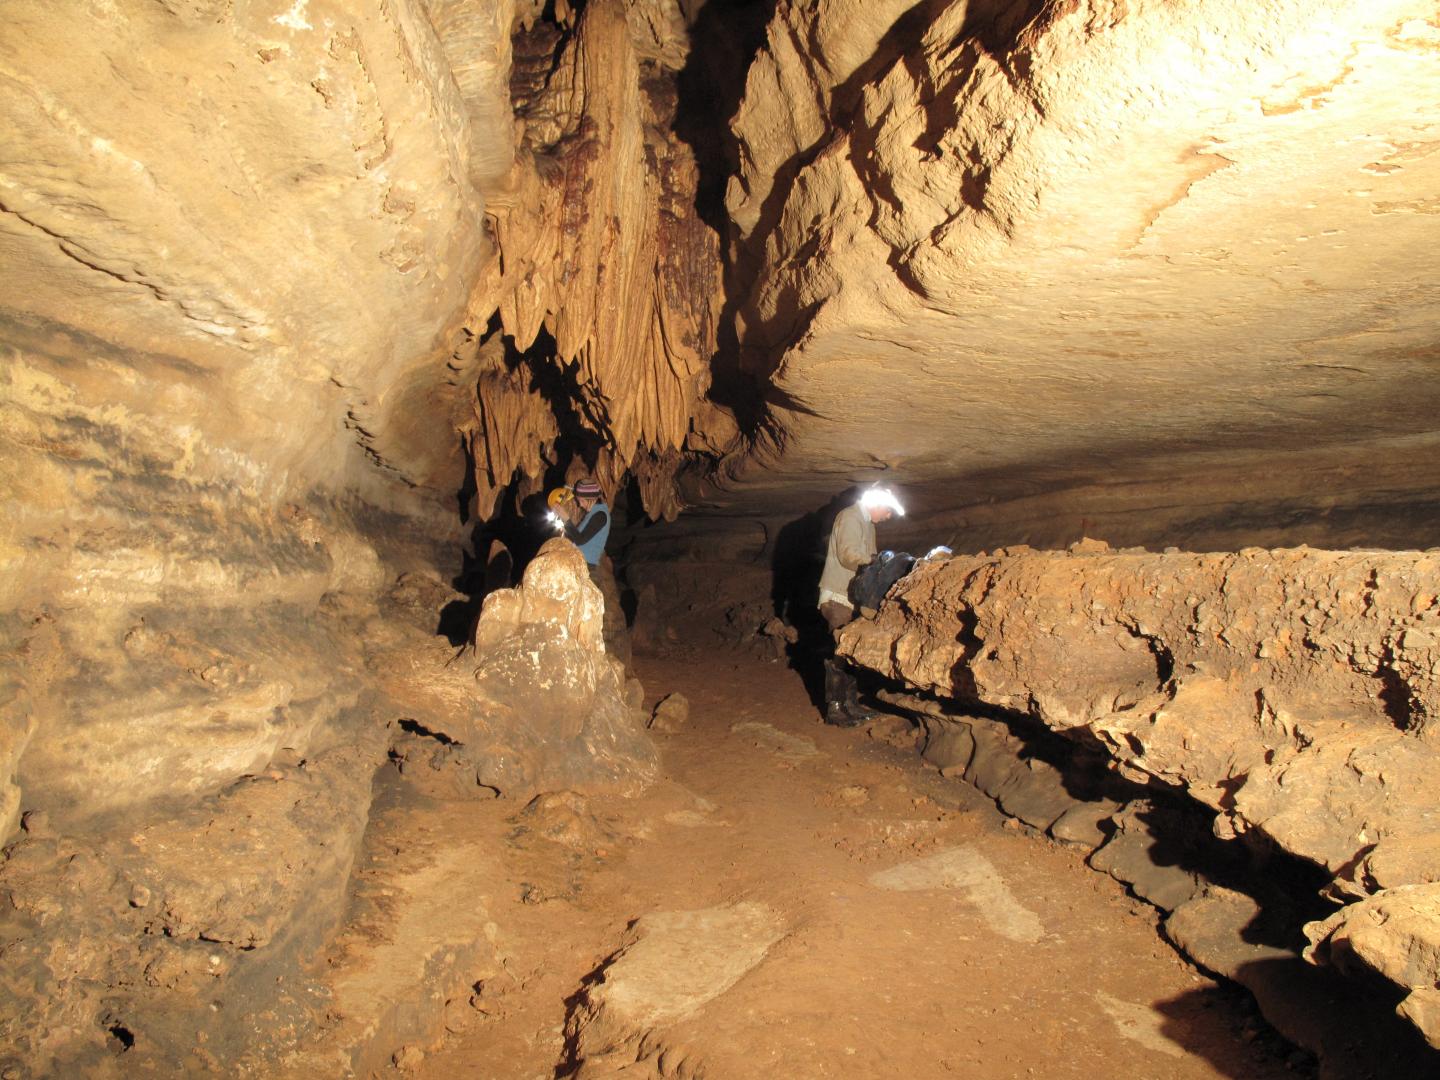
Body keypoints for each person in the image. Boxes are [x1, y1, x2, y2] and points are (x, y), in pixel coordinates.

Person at [817, 486, 904, 725]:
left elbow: (871, 557)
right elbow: (848, 555)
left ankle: (850, 705)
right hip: (838, 597)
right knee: (839, 652)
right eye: (887, 511)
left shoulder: (868, 524)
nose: (887, 517)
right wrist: (874, 562)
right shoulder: (850, 517)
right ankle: (835, 709)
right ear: (876, 502)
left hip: (855, 597)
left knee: (852, 652)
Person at [559, 478, 630, 664]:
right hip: (581, 566)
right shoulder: (593, 514)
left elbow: (581, 539)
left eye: (581, 499)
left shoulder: (600, 515)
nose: (578, 502)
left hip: (589, 570)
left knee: (585, 615)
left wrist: (565, 519)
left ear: (589, 498)